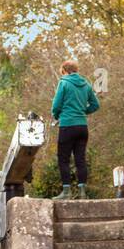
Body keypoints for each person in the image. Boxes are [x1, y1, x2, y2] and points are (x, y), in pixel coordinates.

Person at [51, 59, 100, 199]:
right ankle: (82, 192)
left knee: (63, 159)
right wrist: (83, 111)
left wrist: (57, 115)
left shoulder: (64, 83)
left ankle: (66, 192)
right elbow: (95, 105)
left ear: (64, 71)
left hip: (67, 125)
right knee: (80, 159)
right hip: (82, 127)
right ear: (76, 70)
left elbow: (56, 105)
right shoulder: (86, 84)